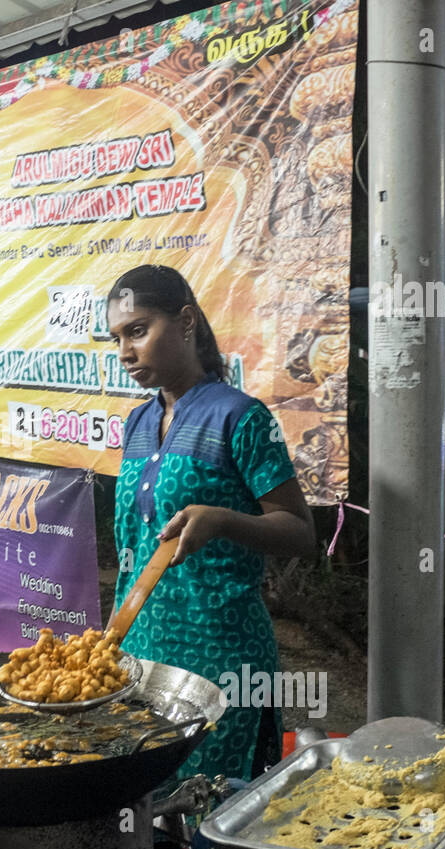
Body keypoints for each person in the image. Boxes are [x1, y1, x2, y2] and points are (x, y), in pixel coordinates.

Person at [106, 265, 315, 782]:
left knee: (211, 814)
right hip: (140, 657)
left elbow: (299, 531)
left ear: (186, 322)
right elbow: (135, 547)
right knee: (148, 811)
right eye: (116, 339)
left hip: (221, 660)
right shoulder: (136, 424)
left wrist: (222, 521)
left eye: (138, 330)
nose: (125, 352)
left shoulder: (241, 417)